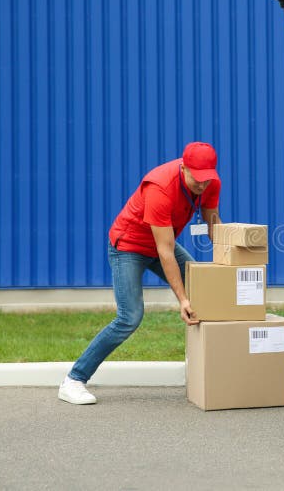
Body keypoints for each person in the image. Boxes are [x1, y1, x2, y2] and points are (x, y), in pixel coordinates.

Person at [58, 142, 222, 404]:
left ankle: (210, 372)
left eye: (206, 179)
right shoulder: (160, 187)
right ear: (184, 168)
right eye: (197, 179)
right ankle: (73, 380)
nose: (202, 185)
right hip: (129, 246)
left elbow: (214, 225)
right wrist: (183, 299)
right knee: (129, 317)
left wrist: (230, 260)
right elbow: (165, 252)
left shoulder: (210, 182)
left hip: (161, 242)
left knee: (205, 290)